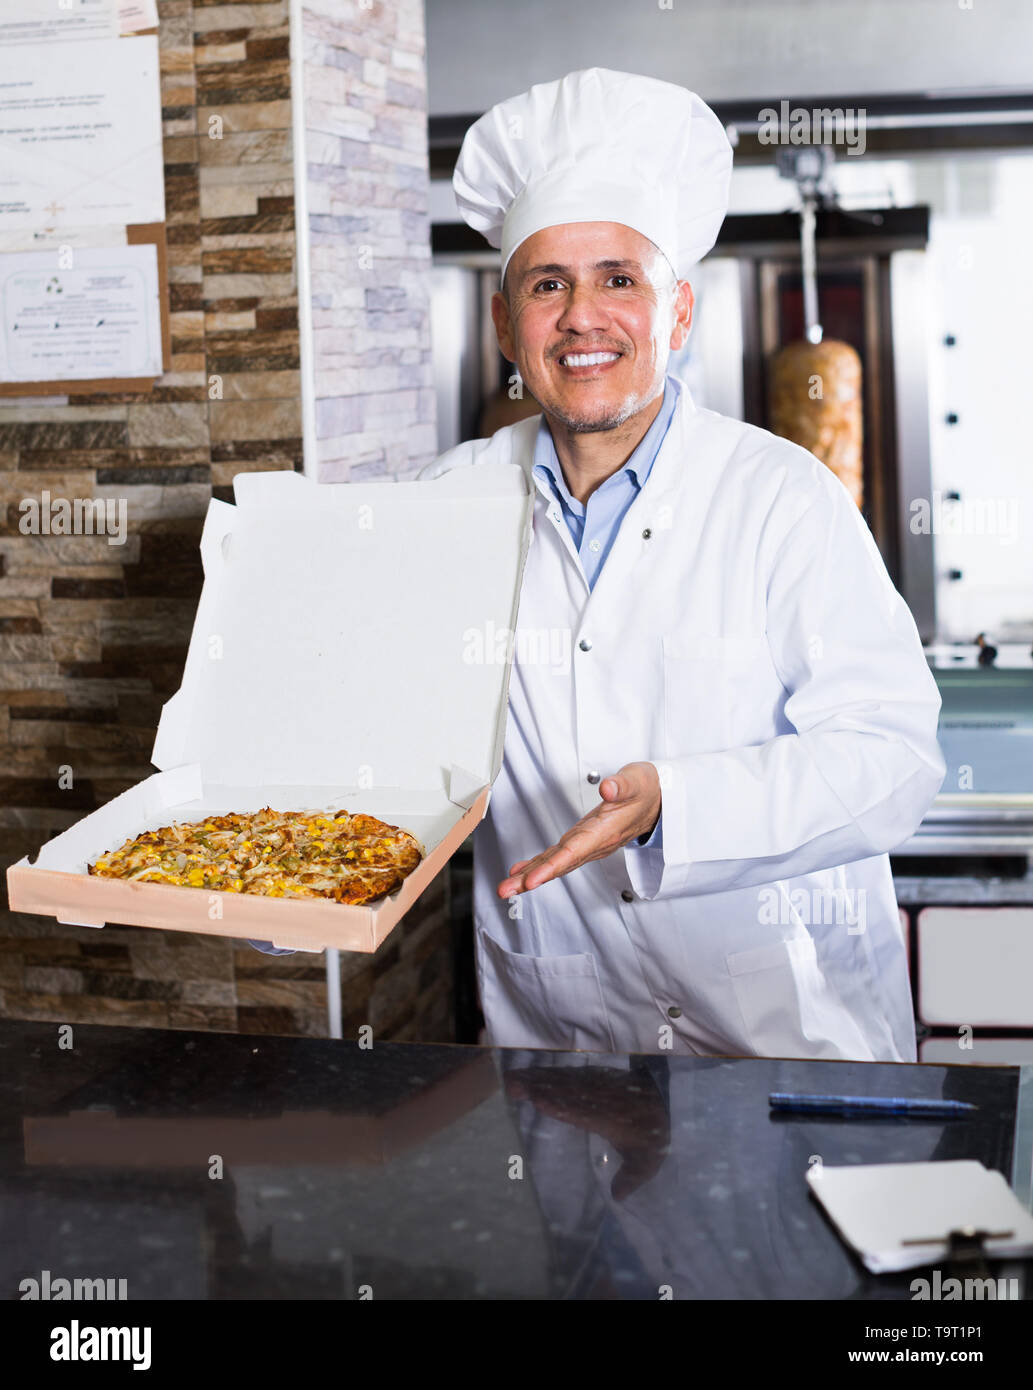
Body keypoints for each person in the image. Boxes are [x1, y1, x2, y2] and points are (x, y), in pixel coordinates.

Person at [414, 68, 945, 1062]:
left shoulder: (783, 499)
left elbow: (896, 760)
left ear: (679, 314)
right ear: (503, 328)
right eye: (546, 284)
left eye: (619, 278)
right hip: (567, 1046)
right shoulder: (442, 506)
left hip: (789, 1042)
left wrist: (676, 806)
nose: (582, 316)